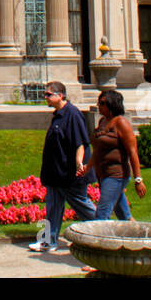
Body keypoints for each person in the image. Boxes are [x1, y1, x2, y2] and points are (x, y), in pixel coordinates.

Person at [28, 81, 97, 252]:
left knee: (82, 206)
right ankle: (49, 241)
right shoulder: (58, 115)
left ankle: (105, 231)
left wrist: (79, 165)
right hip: (55, 174)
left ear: (61, 95)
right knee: (53, 208)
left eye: (48, 94)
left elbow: (80, 143)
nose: (46, 97)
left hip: (69, 175)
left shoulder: (72, 114)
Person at [78, 89, 146, 222]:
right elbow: (98, 149)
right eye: (98, 102)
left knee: (102, 214)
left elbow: (132, 153)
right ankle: (138, 237)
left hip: (116, 175)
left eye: (102, 103)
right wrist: (88, 167)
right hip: (103, 174)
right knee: (124, 216)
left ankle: (97, 242)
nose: (99, 105)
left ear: (112, 104)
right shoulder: (103, 121)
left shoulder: (122, 123)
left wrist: (138, 180)